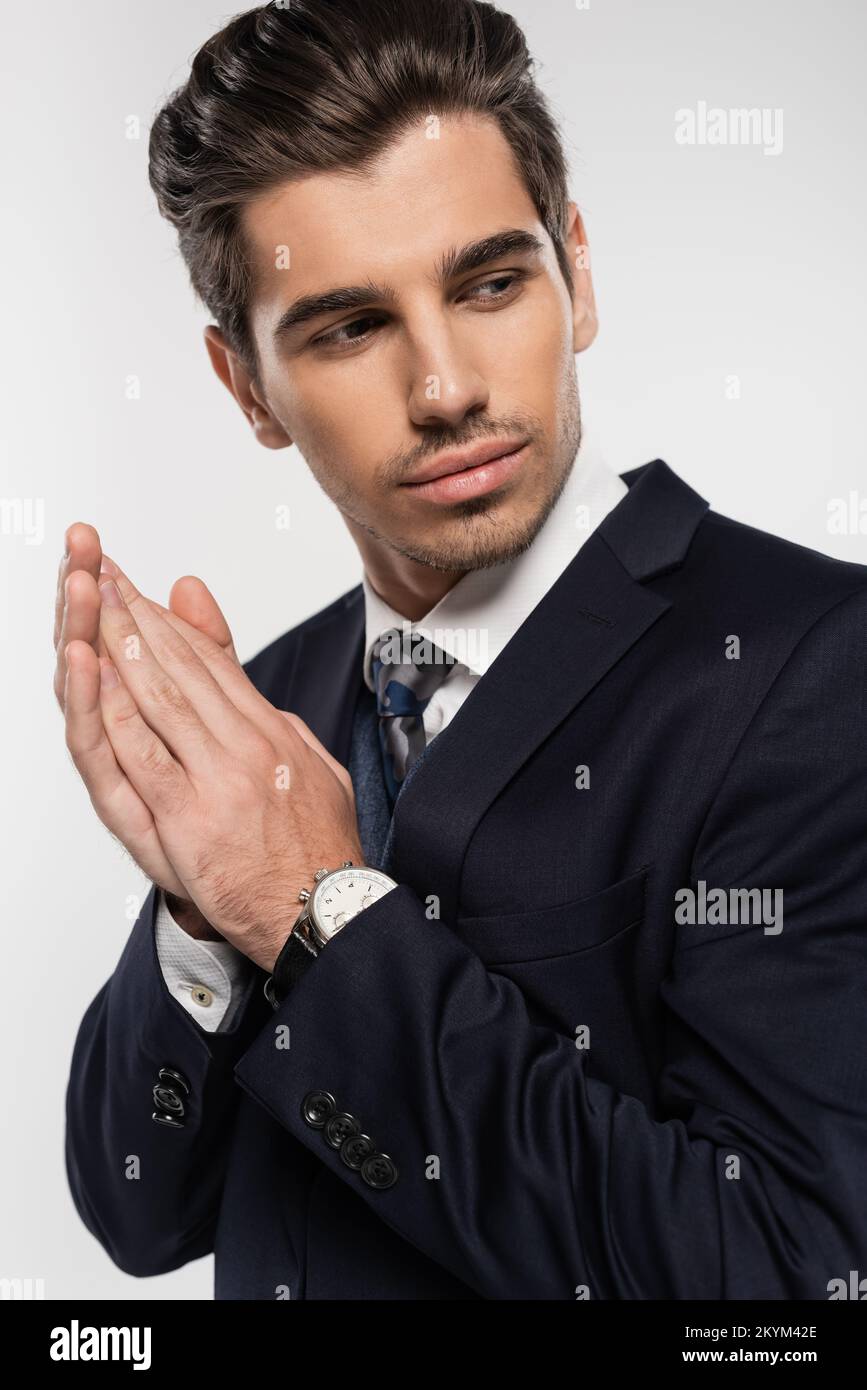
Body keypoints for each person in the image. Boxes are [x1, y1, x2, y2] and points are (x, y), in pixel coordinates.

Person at [59, 0, 867, 1300]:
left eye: (490, 283)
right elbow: (144, 1217)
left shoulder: (819, 666)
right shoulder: (271, 701)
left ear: (579, 274)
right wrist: (206, 916)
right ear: (248, 388)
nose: (445, 387)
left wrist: (319, 919)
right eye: (351, 327)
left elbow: (780, 1281)